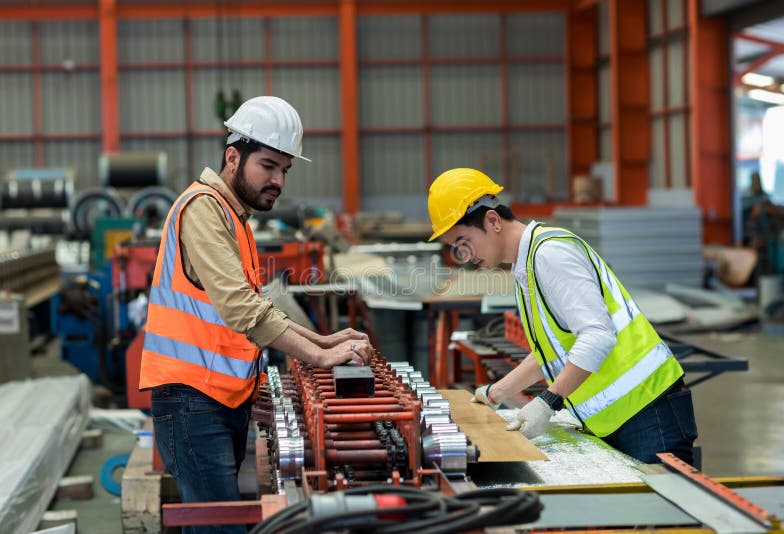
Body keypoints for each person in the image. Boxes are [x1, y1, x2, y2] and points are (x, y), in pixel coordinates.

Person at [139, 96, 375, 533]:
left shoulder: (235, 218)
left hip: (216, 398)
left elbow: (255, 308)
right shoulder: (203, 209)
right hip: (191, 400)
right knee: (219, 528)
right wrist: (318, 357)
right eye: (268, 166)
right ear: (233, 156)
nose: (278, 180)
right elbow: (240, 308)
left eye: (285, 169)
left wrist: (323, 341)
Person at [427, 168, 697, 465]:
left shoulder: (550, 254)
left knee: (659, 511)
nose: (463, 254)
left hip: (650, 412)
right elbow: (557, 350)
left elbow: (597, 336)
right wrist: (498, 391)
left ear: (492, 220)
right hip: (624, 417)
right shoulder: (526, 265)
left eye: (464, 240)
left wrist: (548, 402)